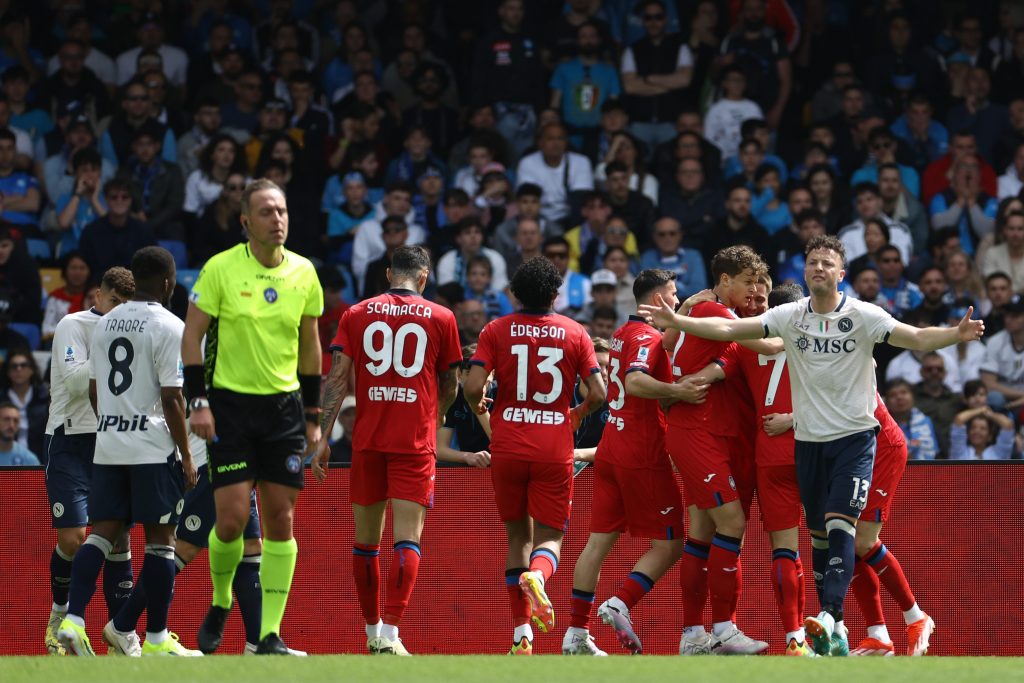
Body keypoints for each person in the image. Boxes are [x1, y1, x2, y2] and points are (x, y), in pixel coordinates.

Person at [641, 234, 983, 657]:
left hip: (855, 439)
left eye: (827, 263)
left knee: (846, 531)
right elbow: (730, 328)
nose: (819, 268)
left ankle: (834, 617)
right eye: (812, 262)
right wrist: (681, 321)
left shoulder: (863, 315)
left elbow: (914, 336)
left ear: (841, 274)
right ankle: (866, 628)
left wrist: (956, 333)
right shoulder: (789, 318)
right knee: (823, 540)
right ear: (805, 272)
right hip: (808, 443)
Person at [184, 179, 323, 656]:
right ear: (246, 221)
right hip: (229, 407)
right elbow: (192, 337)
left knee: (282, 520)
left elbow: (311, 345)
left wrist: (313, 414)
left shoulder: (305, 272)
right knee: (231, 520)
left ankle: (268, 634)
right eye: (266, 211)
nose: (277, 219)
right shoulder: (220, 269)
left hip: (284, 410)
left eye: (282, 210)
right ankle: (221, 600)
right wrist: (197, 401)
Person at [312, 245, 461, 655]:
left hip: (368, 440)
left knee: (365, 542)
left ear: (387, 274)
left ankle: (372, 630)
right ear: (424, 277)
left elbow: (337, 378)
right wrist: (438, 417)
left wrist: (323, 438)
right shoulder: (442, 317)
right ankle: (392, 636)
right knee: (407, 540)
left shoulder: (356, 313)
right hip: (414, 441)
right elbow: (450, 382)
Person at [56, 247, 199, 657]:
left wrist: (111, 426)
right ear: (169, 283)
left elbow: (97, 389)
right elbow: (173, 398)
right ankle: (155, 638)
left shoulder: (104, 324)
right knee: (161, 542)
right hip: (152, 448)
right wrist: (186, 455)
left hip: (109, 444)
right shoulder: (172, 326)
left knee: (102, 532)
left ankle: (74, 618)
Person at [464, 256, 606, 655]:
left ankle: (521, 634)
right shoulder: (575, 332)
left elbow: (473, 386)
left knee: (516, 539)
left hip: (507, 444)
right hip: (553, 446)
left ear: (514, 293)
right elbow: (598, 394)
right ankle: (539, 579)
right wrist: (574, 416)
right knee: (551, 537)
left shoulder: (496, 330)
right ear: (555, 295)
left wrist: (482, 408)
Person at [563, 269, 698, 656]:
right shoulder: (644, 336)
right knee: (670, 544)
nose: (675, 300)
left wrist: (686, 310)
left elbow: (647, 358)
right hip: (642, 453)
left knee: (597, 544)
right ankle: (620, 602)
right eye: (673, 295)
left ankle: (576, 634)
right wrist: (679, 391)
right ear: (657, 299)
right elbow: (637, 380)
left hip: (611, 449)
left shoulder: (623, 333)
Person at [692, 282, 814, 656]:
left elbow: (713, 371)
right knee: (827, 543)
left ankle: (793, 636)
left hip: (767, 452)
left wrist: (681, 388)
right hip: (812, 446)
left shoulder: (745, 347)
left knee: (782, 548)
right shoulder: (814, 341)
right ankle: (831, 626)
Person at [665, 245, 773, 656]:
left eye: (757, 285)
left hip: (711, 433)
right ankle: (725, 629)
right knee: (732, 523)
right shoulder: (715, 313)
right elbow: (764, 344)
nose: (752, 292)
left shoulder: (707, 314)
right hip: (699, 433)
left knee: (703, 535)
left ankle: (693, 635)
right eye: (746, 283)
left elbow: (725, 357)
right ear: (724, 281)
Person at [848, 386, 936, 656]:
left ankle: (916, 617)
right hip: (849, 450)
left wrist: (791, 419)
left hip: (880, 447)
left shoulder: (837, 347)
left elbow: (869, 361)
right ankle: (878, 636)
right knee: (844, 540)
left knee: (863, 540)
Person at [437, 346, 492, 469]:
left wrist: (477, 404)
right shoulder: (453, 397)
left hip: (500, 469)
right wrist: (467, 456)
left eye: (485, 373)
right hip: (467, 468)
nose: (476, 379)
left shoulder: (502, 394)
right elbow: (439, 449)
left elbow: (501, 444)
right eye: (469, 373)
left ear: (492, 374)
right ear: (459, 374)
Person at [949, 404, 1015, 460]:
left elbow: (1007, 424)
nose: (977, 431)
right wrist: (979, 410)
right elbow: (959, 419)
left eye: (982, 428)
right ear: (968, 434)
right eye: (973, 427)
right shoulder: (960, 452)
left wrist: (990, 414)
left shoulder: (998, 453)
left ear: (990, 436)